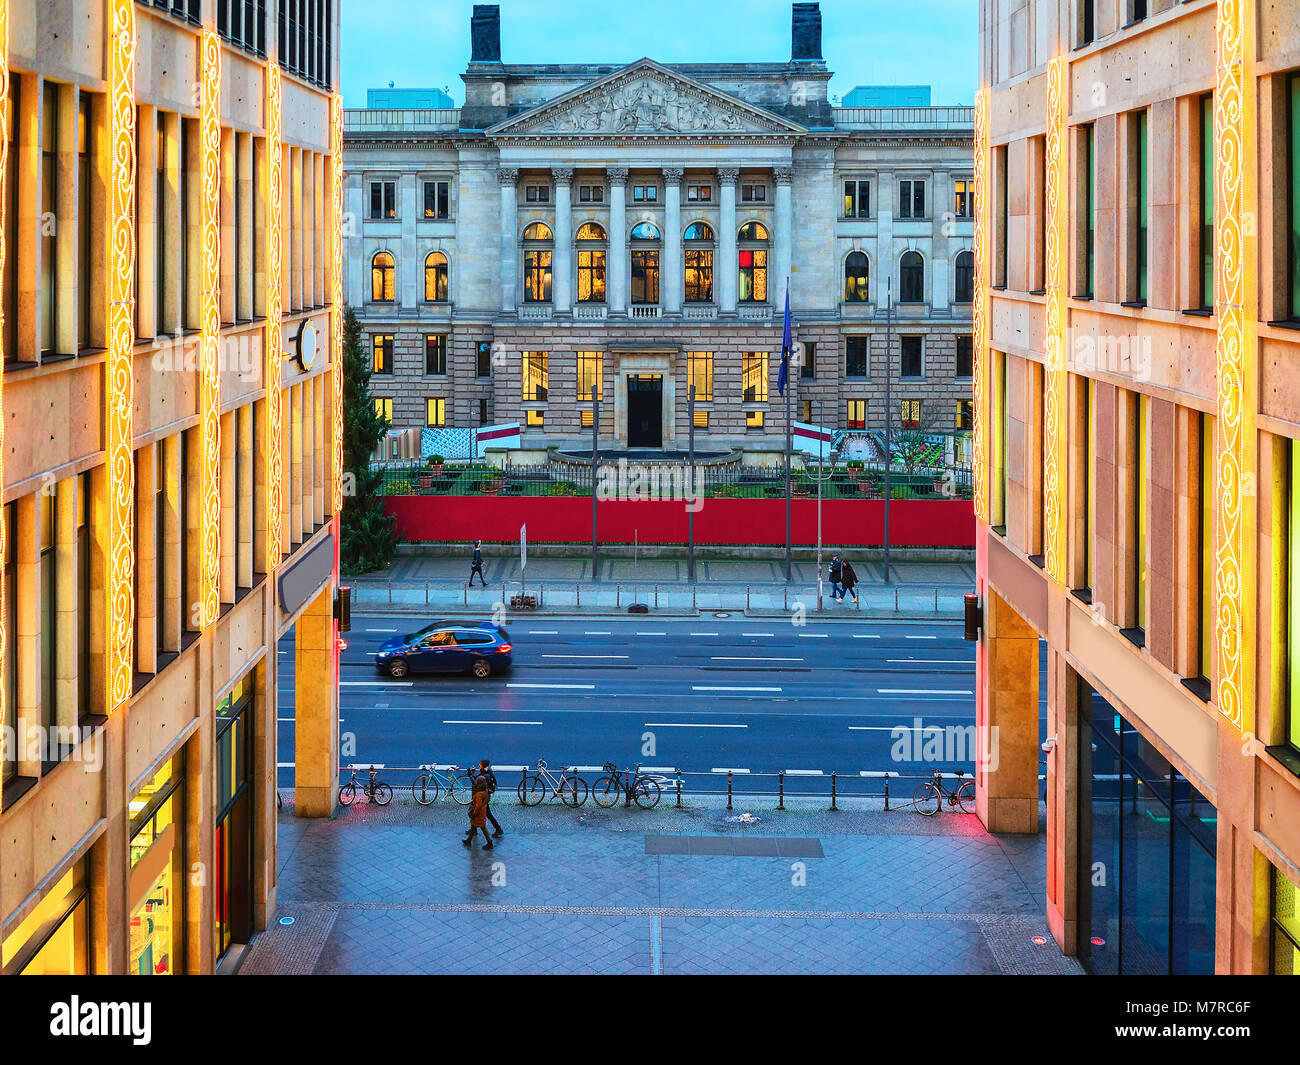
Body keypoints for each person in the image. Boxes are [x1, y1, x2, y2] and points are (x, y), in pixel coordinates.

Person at [463, 775, 494, 848]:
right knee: (474, 825)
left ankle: (489, 842)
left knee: (482, 827)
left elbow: (478, 806)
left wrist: (474, 813)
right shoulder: (485, 790)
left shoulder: (478, 794)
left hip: (478, 812)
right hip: (483, 810)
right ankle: (468, 840)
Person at [479, 758, 503, 837]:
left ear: (483, 766)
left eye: (480, 764)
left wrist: (471, 776)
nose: (479, 765)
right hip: (483, 796)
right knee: (475, 812)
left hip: (483, 797)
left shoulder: (486, 775)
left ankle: (498, 829)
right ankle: (473, 830)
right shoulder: (486, 772)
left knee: (487, 814)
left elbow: (477, 782)